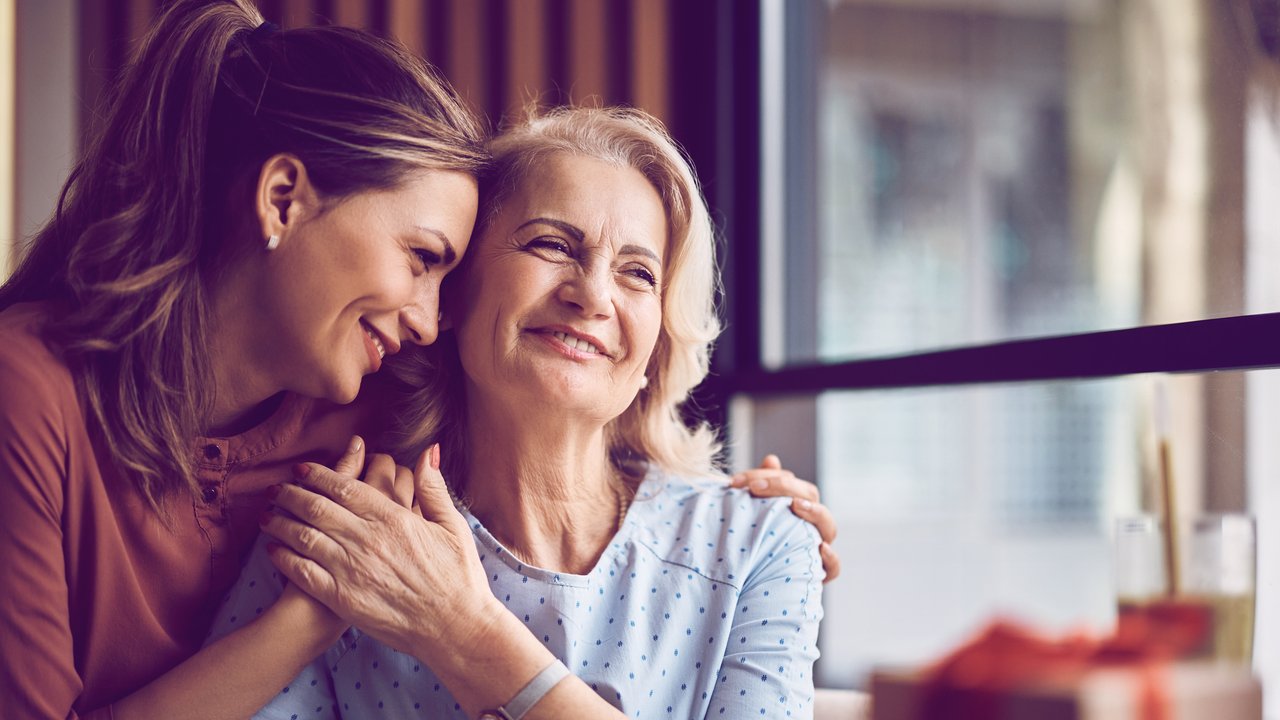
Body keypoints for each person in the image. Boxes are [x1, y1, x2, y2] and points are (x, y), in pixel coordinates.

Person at [0, 2, 836, 718]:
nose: (429, 321)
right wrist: (314, 617)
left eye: (639, 273)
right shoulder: (352, 493)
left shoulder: (749, 544)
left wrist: (765, 524)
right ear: (282, 199)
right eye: (426, 260)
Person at [214, 107, 825, 718]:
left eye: (637, 273)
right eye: (551, 244)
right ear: (453, 294)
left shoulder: (758, 546)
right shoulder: (341, 530)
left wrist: (462, 629)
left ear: (656, 348)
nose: (592, 295)